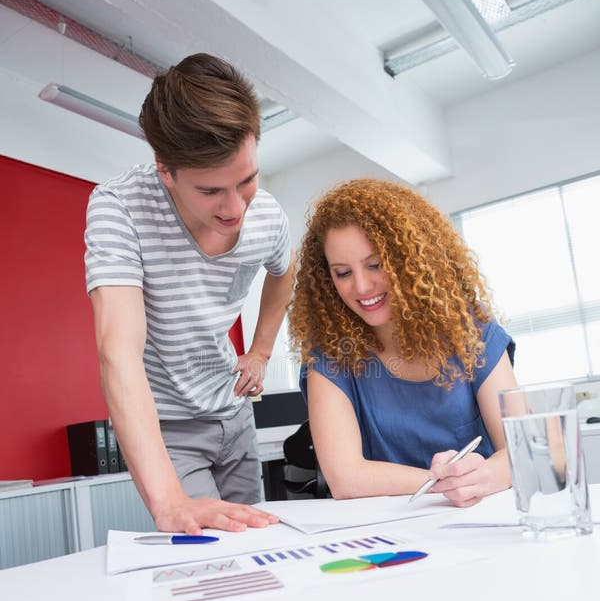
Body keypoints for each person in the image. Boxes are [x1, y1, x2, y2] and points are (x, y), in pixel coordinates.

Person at [85, 53, 295, 533]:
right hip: (171, 427)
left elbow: (286, 272)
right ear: (166, 170)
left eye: (246, 181)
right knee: (211, 553)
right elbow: (118, 352)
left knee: (258, 546)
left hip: (234, 412)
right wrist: (168, 501)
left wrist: (260, 351)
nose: (234, 207)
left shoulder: (265, 216)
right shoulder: (120, 208)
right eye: (210, 191)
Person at [288, 178, 518, 508]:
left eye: (375, 265)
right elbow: (344, 478)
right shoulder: (330, 356)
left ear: (412, 260)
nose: (362, 286)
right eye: (342, 273)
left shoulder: (473, 334)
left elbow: (524, 448)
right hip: (389, 528)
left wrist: (479, 480)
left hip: (479, 518)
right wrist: (443, 483)